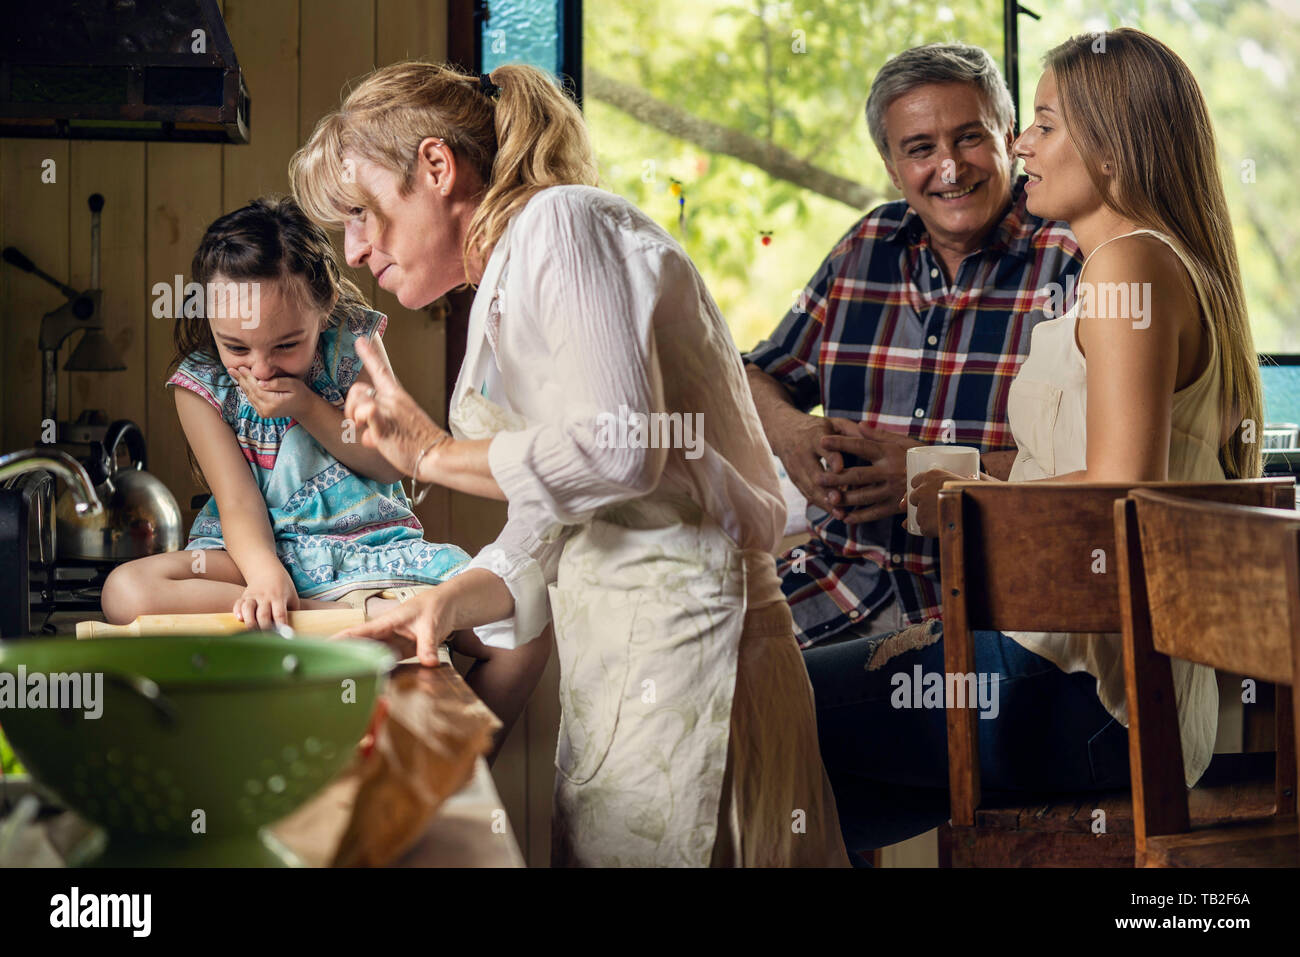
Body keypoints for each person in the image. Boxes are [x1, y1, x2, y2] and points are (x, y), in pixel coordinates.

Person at [289, 61, 849, 866]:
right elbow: (550, 521)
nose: (354, 248)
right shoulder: (510, 277)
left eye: (363, 212)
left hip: (695, 654)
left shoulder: (563, 224)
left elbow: (618, 448)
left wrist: (432, 454)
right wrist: (443, 607)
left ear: (437, 168)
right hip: (625, 660)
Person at [875, 27, 1261, 855]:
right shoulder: (1141, 267)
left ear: (1114, 146)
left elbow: (1122, 480)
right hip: (1067, 677)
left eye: (1044, 123)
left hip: (1085, 692)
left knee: (774, 706)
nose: (1020, 145)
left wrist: (967, 500)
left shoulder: (1130, 267)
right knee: (826, 768)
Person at [100, 197, 549, 753]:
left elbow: (390, 465)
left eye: (286, 345)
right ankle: (338, 619)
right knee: (125, 591)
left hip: (365, 546)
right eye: (236, 346)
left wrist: (307, 407)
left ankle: (455, 762)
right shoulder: (199, 385)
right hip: (256, 554)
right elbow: (239, 504)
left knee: (522, 630)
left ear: (325, 307)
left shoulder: (353, 344)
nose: (261, 370)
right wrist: (267, 579)